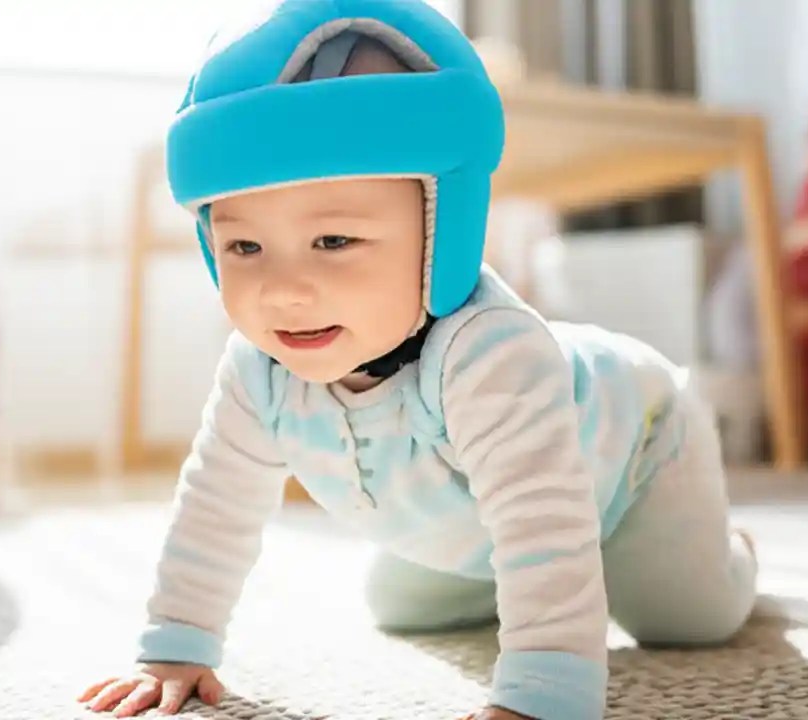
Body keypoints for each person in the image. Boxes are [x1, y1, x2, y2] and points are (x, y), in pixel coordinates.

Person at [80, 2, 757, 718]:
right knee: (397, 606)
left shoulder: (488, 357)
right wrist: (176, 644)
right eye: (245, 248)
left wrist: (543, 693)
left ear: (444, 234)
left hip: (637, 455)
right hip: (467, 519)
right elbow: (215, 506)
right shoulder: (255, 371)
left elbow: (543, 527)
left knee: (689, 620)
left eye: (334, 241)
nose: (282, 292)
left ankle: (730, 545)